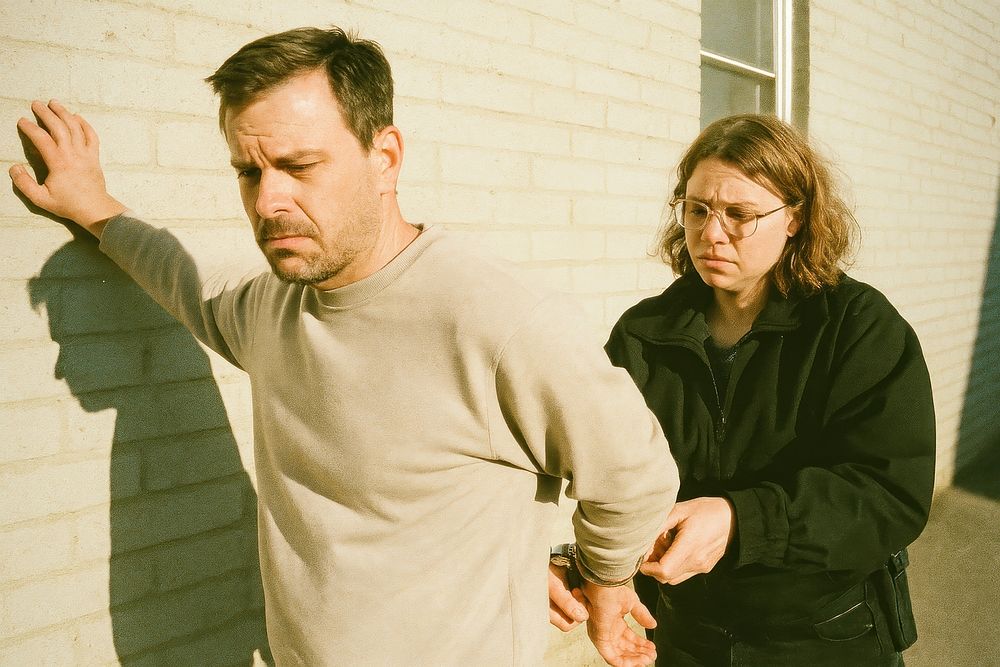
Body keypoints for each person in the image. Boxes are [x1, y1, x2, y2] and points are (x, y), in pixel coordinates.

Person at [9, 27, 679, 667]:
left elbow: (633, 474)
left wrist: (603, 573)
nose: (269, 198)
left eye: (299, 166)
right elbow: (181, 278)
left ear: (384, 158)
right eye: (248, 171)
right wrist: (91, 205)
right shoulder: (270, 309)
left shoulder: (496, 319)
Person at [601, 114, 935, 665]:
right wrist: (597, 567)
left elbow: (889, 495)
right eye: (697, 208)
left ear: (796, 219)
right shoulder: (643, 334)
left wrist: (739, 521)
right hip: (687, 638)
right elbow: (607, 471)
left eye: (741, 214)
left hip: (824, 637)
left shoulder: (858, 327)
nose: (712, 232)